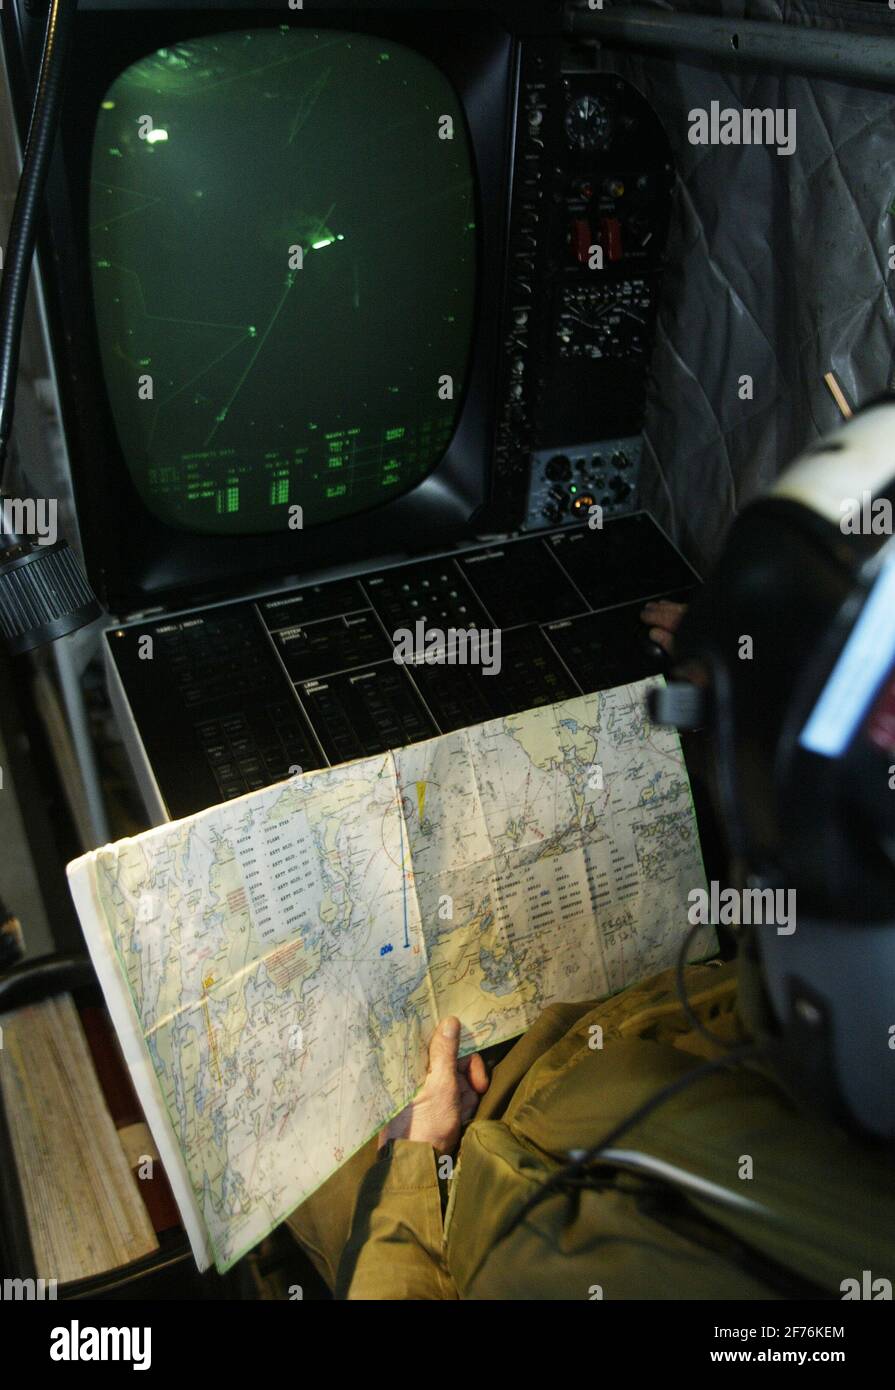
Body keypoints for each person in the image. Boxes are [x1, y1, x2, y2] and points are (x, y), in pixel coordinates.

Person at [286, 593, 895, 1299]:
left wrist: (417, 1161)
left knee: (302, 1121)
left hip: (457, 1220)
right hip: (628, 1039)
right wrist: (761, 696)